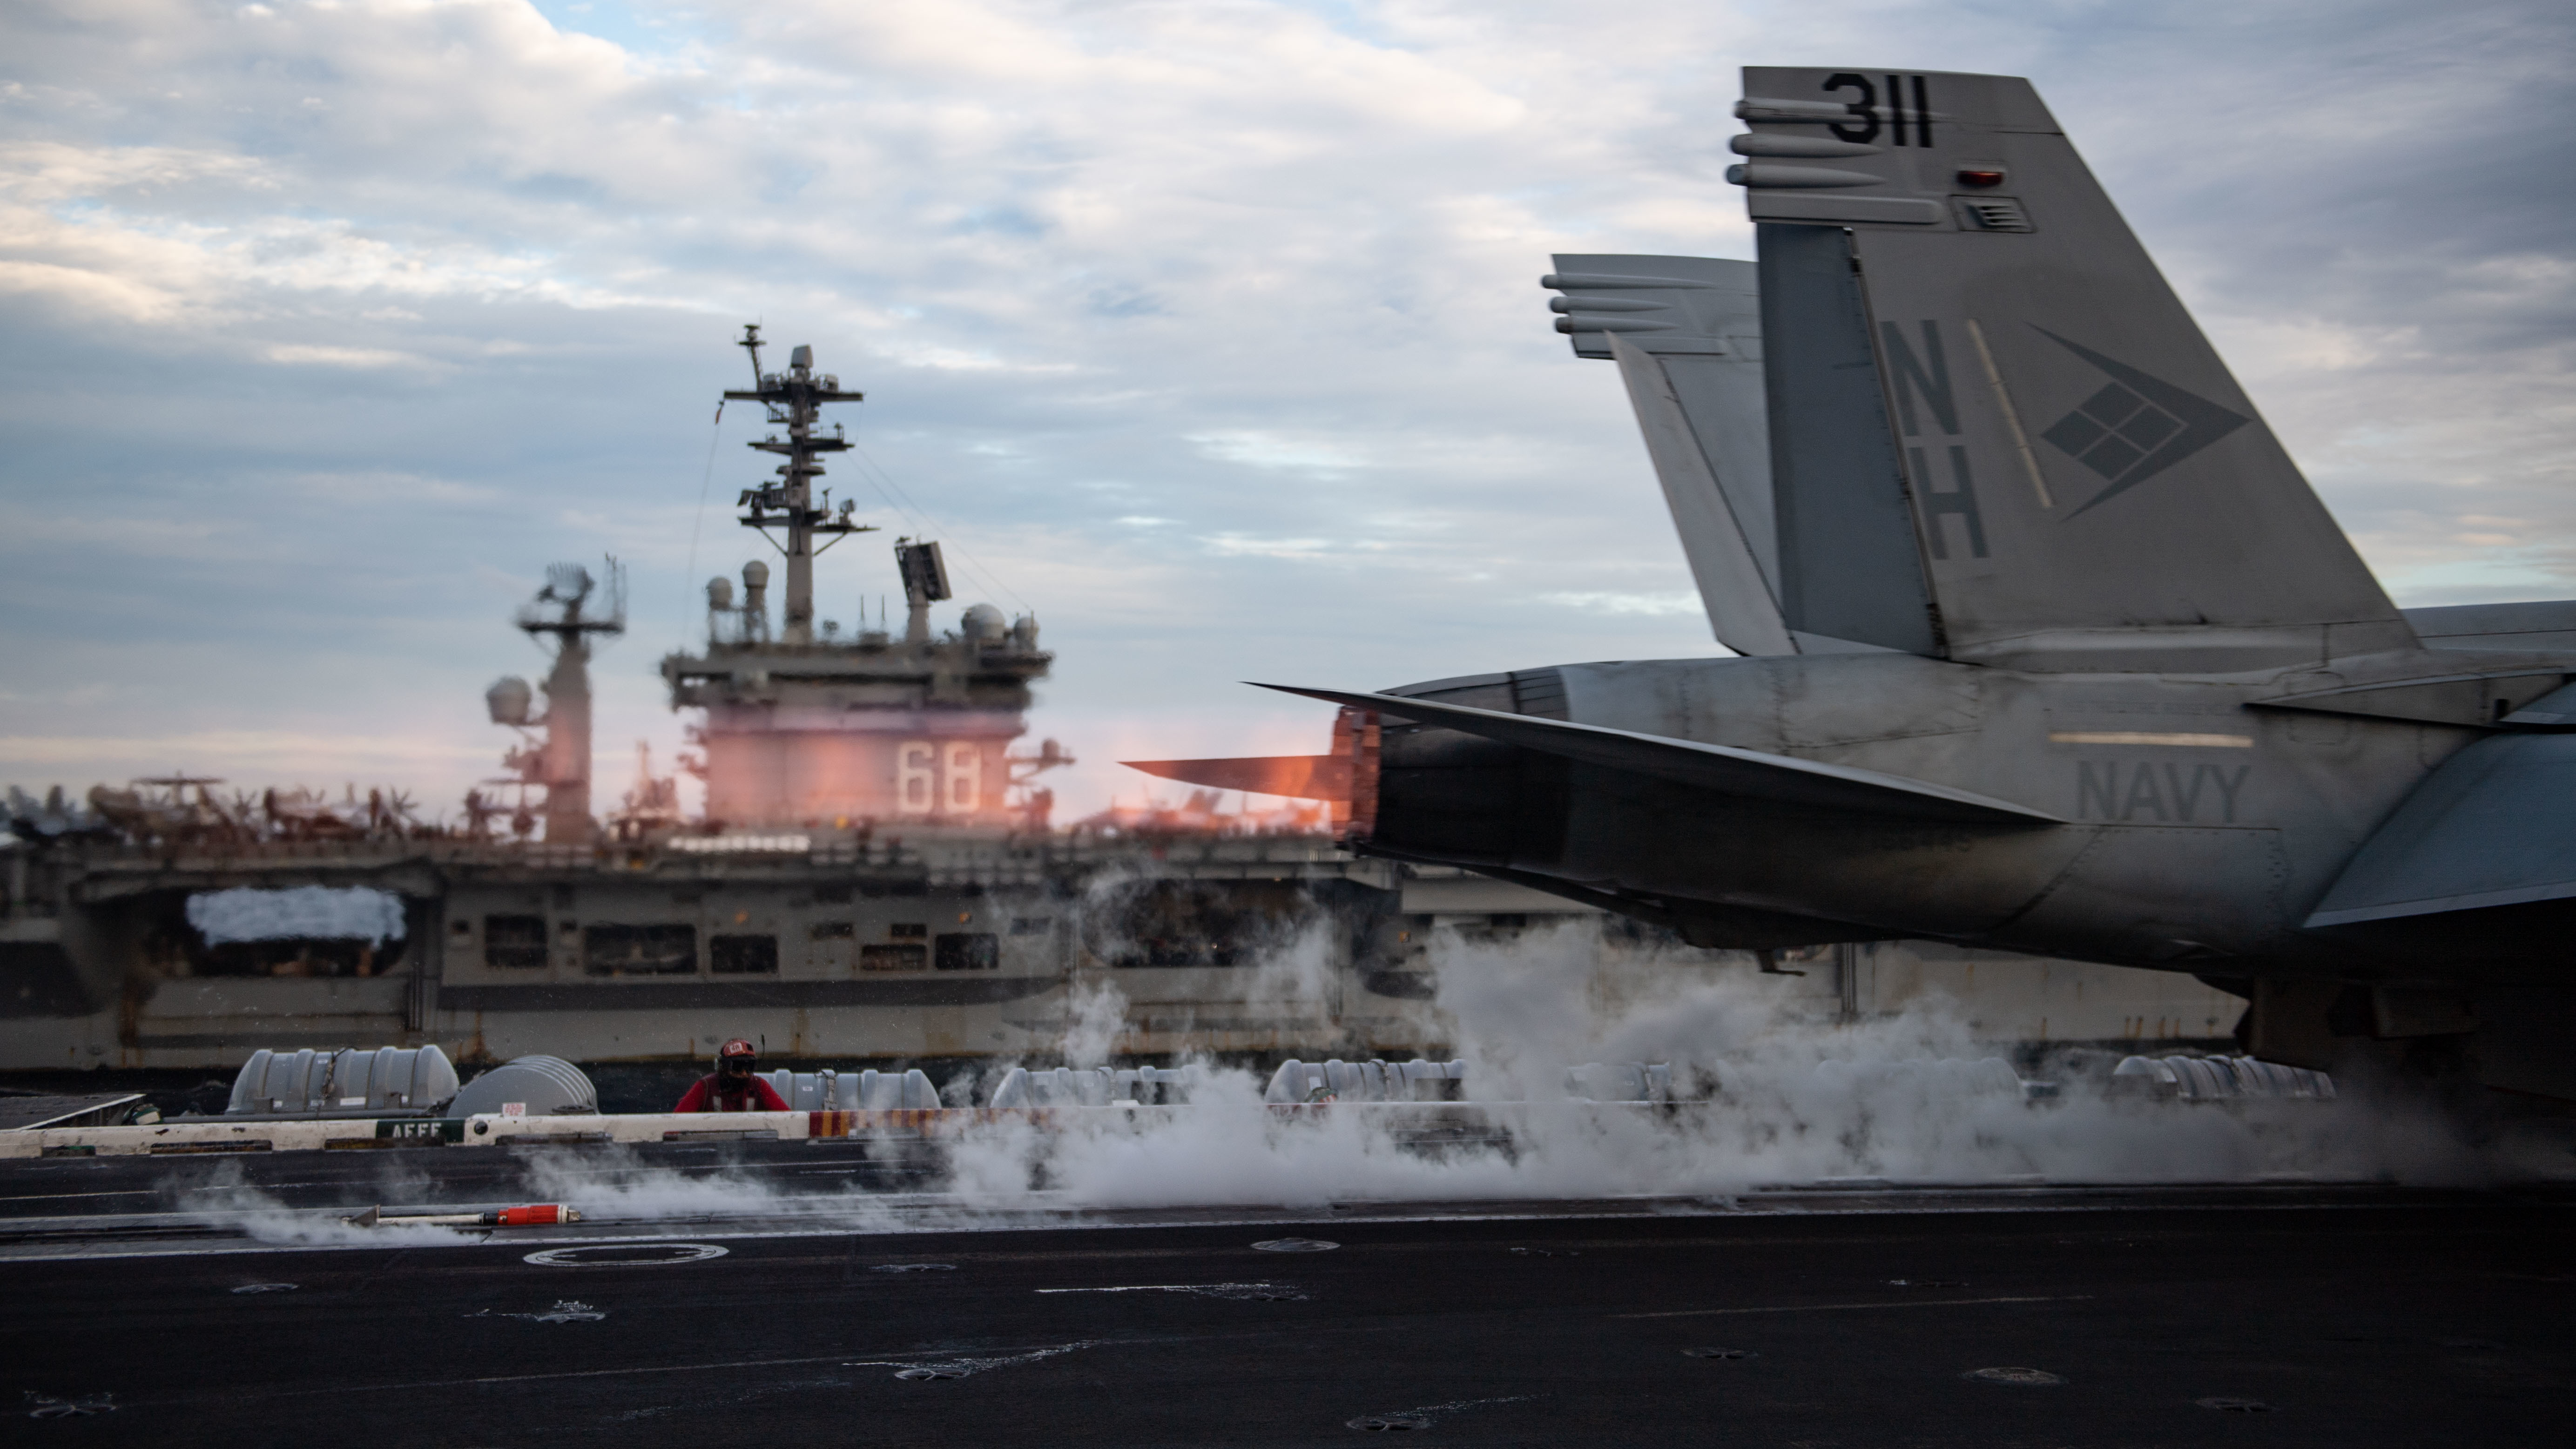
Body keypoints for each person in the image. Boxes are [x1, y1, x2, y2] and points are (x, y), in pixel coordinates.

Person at [674, 1038, 788, 1112]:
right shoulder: (706, 1087)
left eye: (750, 1066)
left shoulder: (759, 1086)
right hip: (713, 1147)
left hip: (752, 1148)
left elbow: (788, 1118)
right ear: (725, 1067)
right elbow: (676, 1122)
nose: (744, 1073)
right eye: (738, 1066)